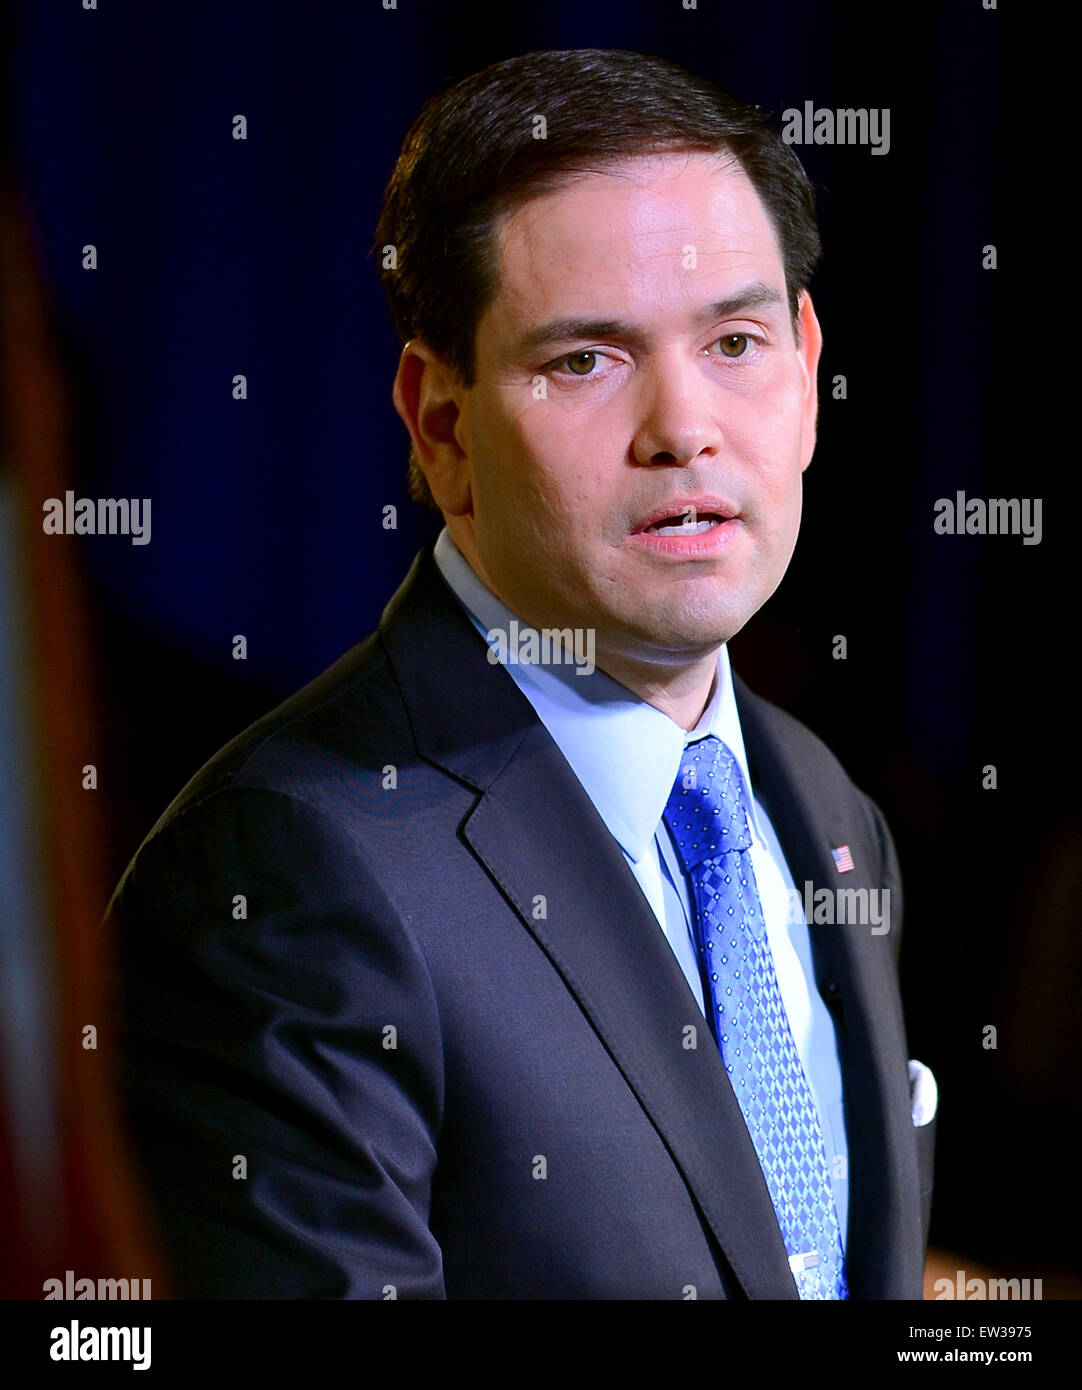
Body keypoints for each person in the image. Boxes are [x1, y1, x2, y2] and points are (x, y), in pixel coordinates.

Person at [104, 48, 936, 1300]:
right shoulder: (288, 871)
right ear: (440, 424)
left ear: (808, 366)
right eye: (584, 361)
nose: (683, 428)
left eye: (735, 340)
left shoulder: (821, 810)